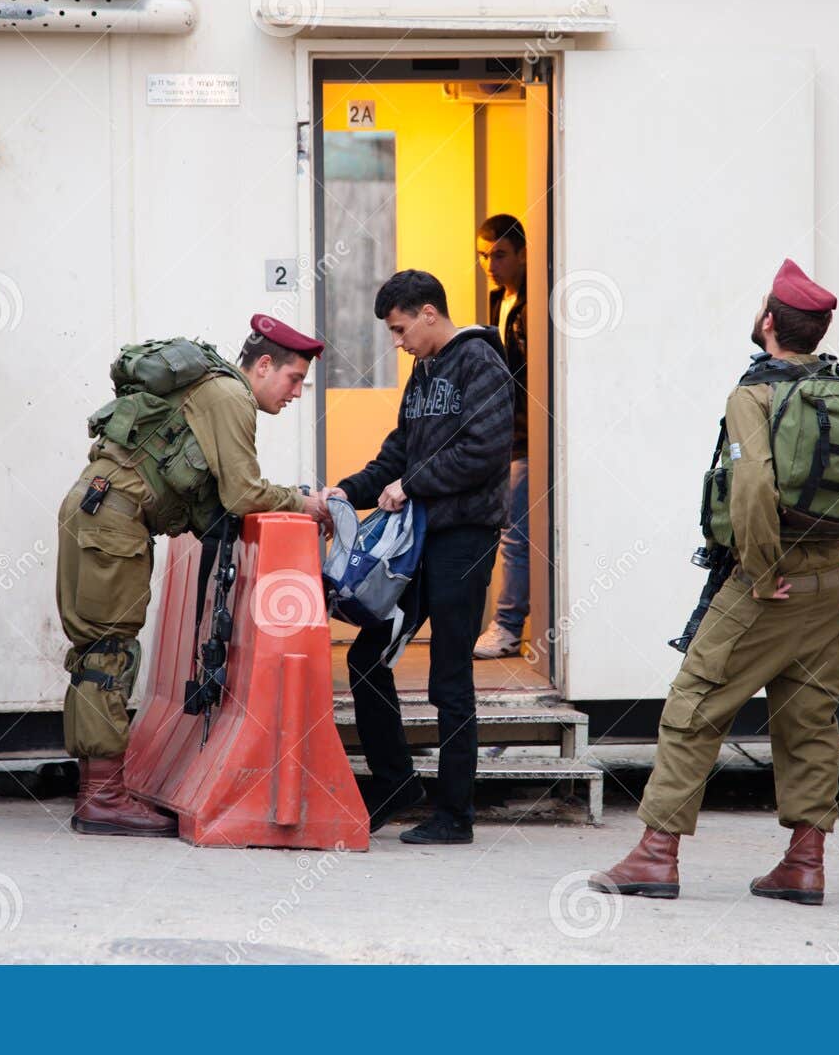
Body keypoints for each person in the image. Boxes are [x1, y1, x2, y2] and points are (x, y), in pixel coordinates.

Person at [590, 259, 839, 902]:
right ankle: (804, 866)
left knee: (693, 709)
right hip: (828, 591)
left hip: (761, 589)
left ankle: (655, 856)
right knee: (809, 724)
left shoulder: (755, 395)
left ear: (769, 322)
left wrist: (763, 564)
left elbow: (751, 486)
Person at [56, 315, 330, 837]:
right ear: (264, 365)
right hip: (112, 519)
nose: (296, 392)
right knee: (106, 651)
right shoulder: (230, 396)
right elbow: (244, 494)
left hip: (99, 510)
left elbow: (209, 500)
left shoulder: (210, 389)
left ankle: (99, 789)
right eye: (294, 379)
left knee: (97, 650)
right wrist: (305, 504)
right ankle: (101, 798)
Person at [322, 270, 513, 845]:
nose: (398, 342)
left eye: (401, 329)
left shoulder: (481, 362)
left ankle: (456, 815)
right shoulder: (423, 372)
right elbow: (398, 453)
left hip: (464, 540)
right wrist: (342, 494)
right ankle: (396, 782)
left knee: (449, 676)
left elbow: (486, 450)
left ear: (429, 313)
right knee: (367, 658)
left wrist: (413, 484)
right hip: (420, 541)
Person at [473, 214, 531, 659]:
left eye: (499, 254)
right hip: (503, 439)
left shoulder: (531, 306)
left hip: (528, 441)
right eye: (483, 255)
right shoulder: (500, 302)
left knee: (515, 534)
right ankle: (502, 623)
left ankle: (508, 627)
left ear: (523, 253)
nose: (490, 264)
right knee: (507, 530)